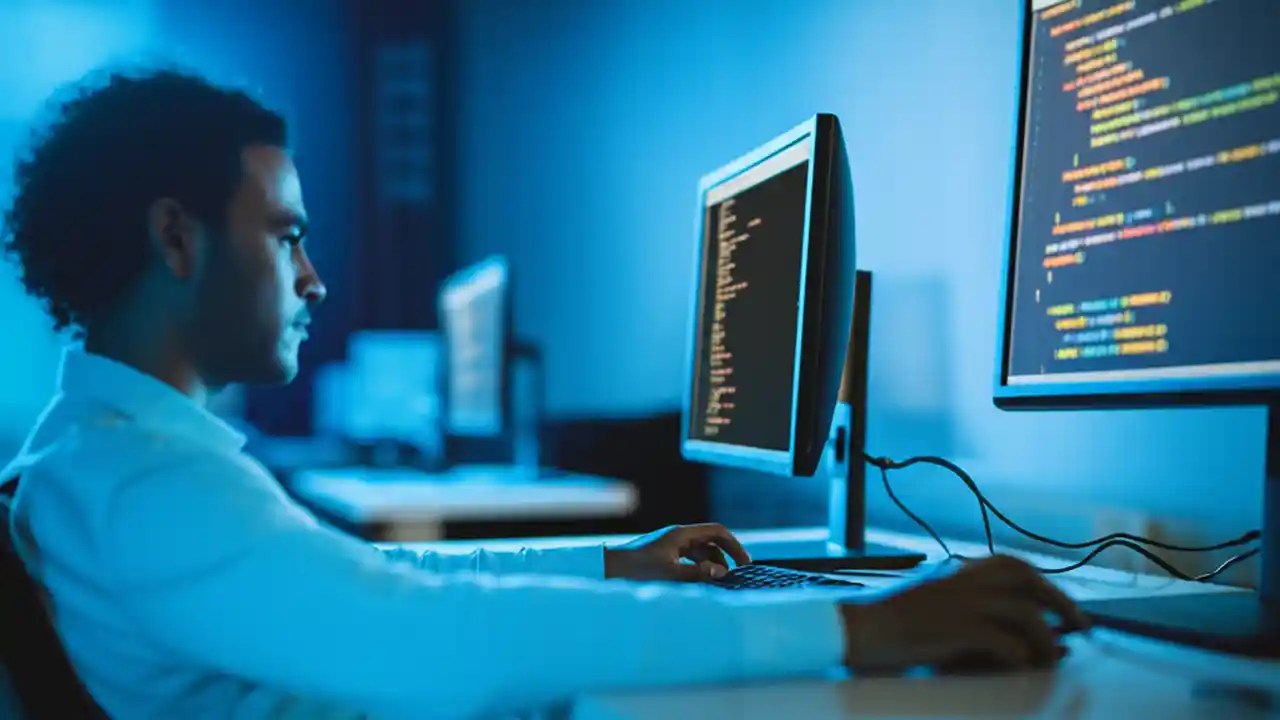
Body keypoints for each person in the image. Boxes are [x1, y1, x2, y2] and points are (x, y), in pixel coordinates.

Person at [0, 69, 1086, 719]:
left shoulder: (104, 456)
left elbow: (368, 581)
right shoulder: (146, 489)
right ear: (176, 236)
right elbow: (429, 637)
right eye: (286, 235)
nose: (313, 278)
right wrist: (856, 632)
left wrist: (612, 558)